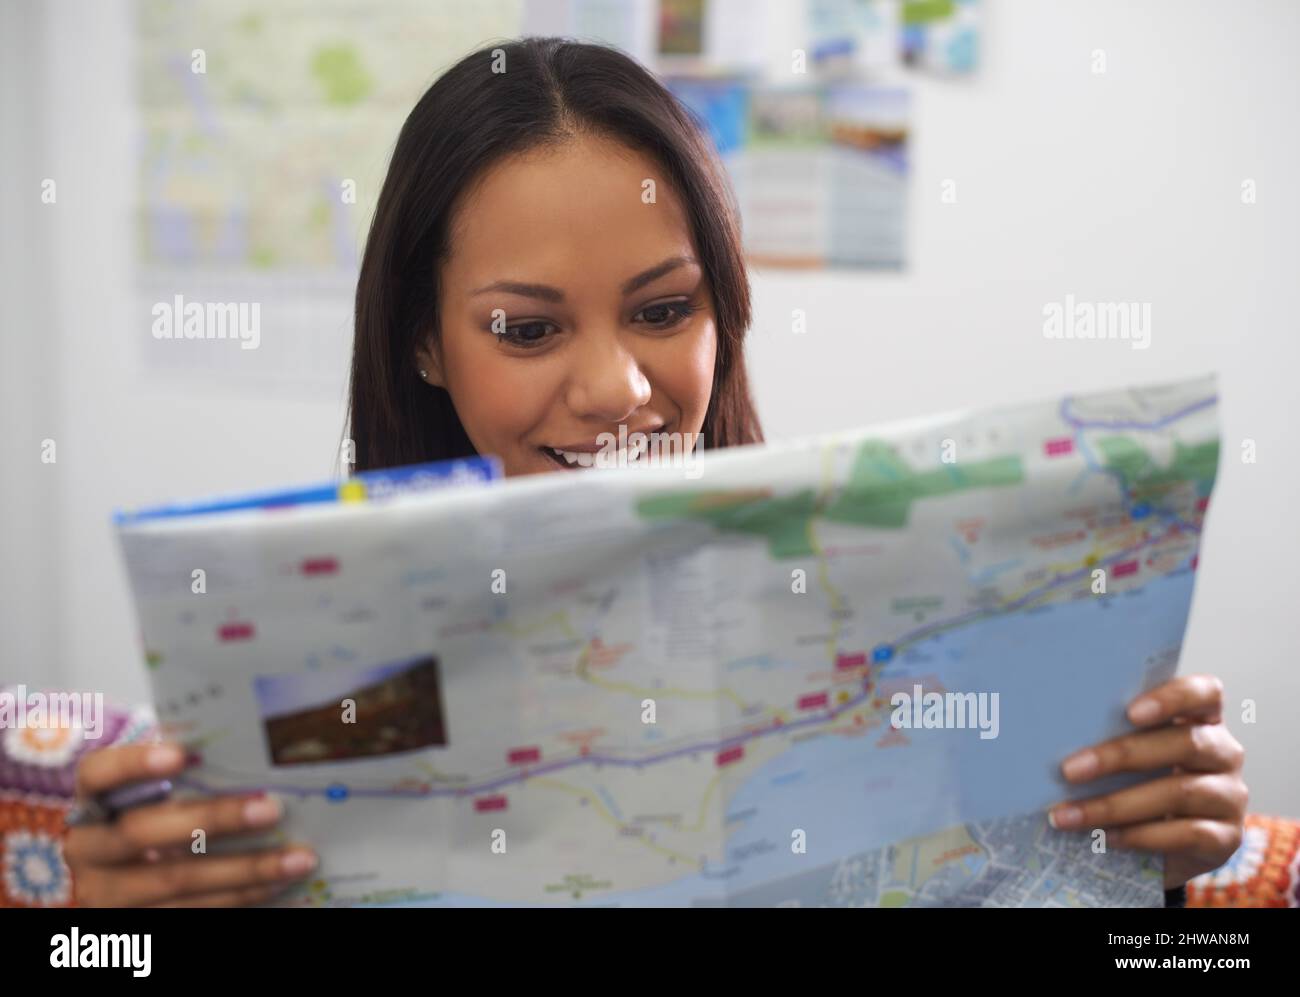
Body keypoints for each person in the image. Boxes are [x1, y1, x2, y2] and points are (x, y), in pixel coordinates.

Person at [67, 37, 1246, 907]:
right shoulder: (328, 689)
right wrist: (101, 936)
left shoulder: (901, 636)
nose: (621, 391)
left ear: (722, 313)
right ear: (424, 341)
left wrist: (1177, 894)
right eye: (526, 329)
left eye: (664, 310)